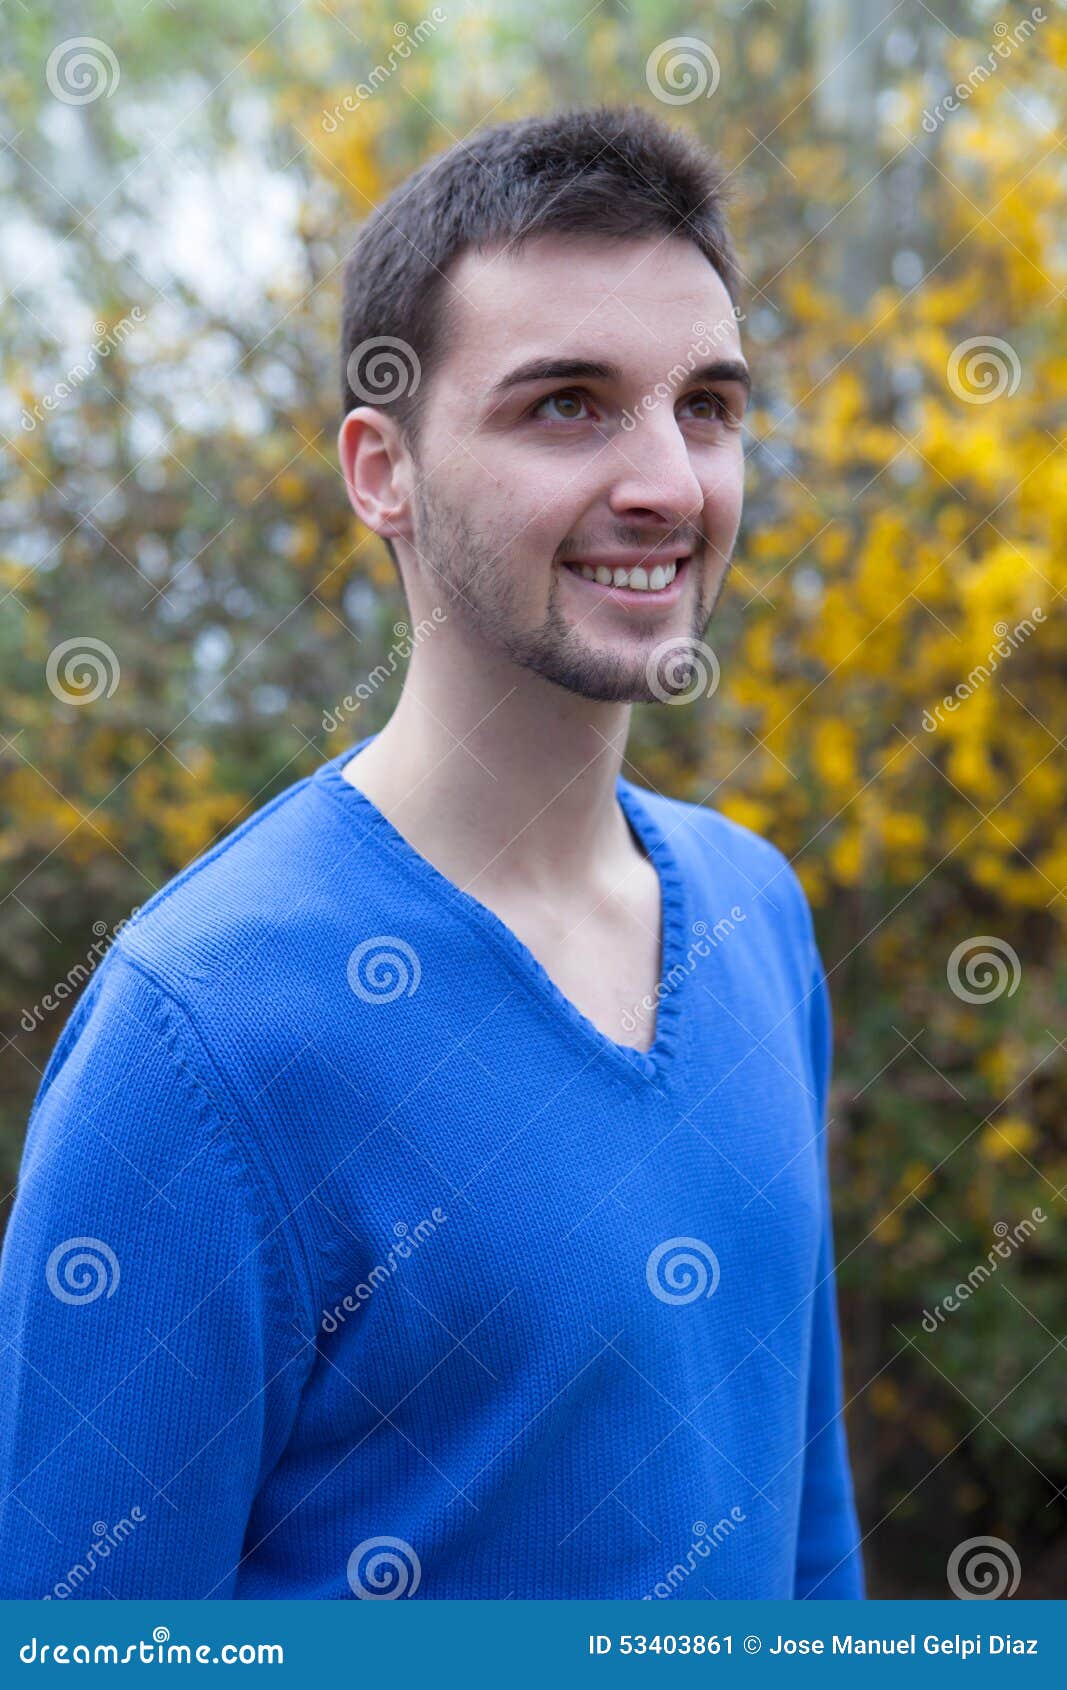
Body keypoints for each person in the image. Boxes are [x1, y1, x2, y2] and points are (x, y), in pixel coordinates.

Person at [0, 104, 864, 1599]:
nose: (669, 481)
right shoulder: (202, 1037)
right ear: (381, 469)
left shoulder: (753, 913)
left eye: (707, 405)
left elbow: (806, 1544)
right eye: (568, 405)